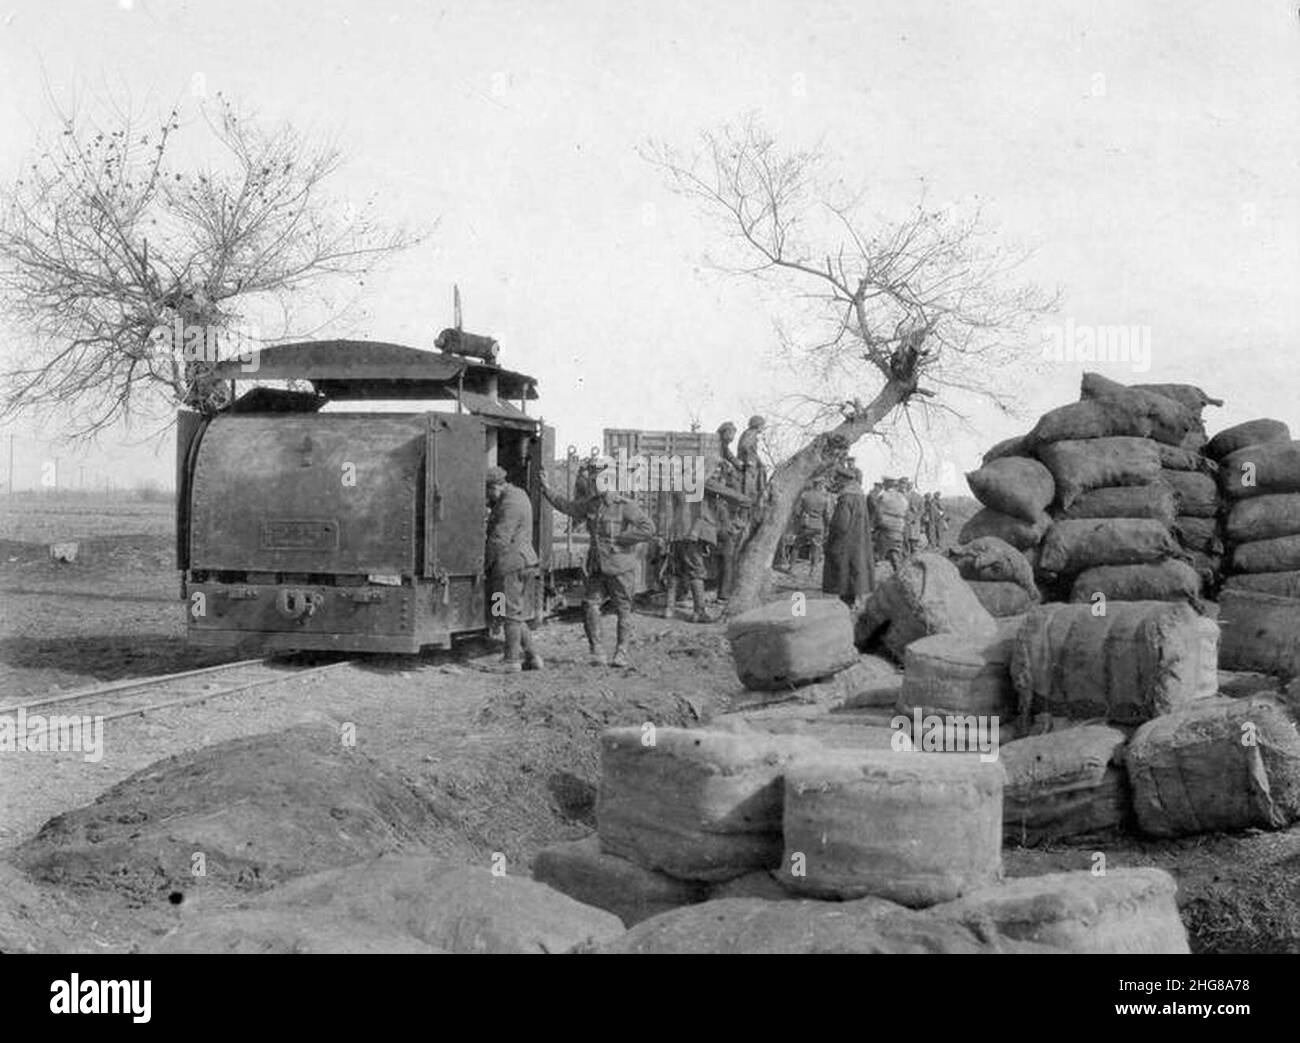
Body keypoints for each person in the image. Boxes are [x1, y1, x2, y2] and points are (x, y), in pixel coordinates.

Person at [540, 456, 655, 667]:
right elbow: (567, 507)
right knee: (590, 605)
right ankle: (597, 651)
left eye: (600, 480)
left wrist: (622, 540)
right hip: (597, 566)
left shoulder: (625, 506)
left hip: (620, 567)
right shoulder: (592, 504)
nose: (595, 483)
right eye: (594, 480)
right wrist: (547, 488)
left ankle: (621, 652)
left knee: (623, 609)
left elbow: (648, 528)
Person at [485, 466, 543, 672]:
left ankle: (511, 661)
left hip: (510, 564)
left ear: (496, 487)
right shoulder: (516, 496)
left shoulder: (510, 502)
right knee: (506, 611)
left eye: (488, 492)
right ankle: (533, 656)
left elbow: (500, 537)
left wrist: (484, 563)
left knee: (509, 612)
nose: (488, 498)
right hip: (516, 563)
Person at [822, 466, 874, 609]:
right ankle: (853, 605)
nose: (836, 482)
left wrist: (831, 541)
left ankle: (848, 607)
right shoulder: (860, 496)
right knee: (854, 574)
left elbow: (840, 524)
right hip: (857, 542)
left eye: (838, 479)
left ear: (844, 480)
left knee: (843, 576)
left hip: (845, 543)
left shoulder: (846, 498)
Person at [794, 475, 835, 578]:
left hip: (805, 525)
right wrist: (827, 528)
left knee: (796, 546)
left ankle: (791, 568)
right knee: (816, 548)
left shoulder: (804, 495)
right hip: (818, 526)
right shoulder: (825, 499)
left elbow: (797, 511)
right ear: (821, 485)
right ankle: (812, 571)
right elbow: (827, 515)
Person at [875, 478, 909, 573]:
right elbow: (905, 512)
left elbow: (878, 514)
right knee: (896, 551)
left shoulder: (883, 496)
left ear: (886, 485)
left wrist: (874, 525)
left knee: (879, 551)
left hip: (886, 528)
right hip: (899, 528)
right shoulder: (903, 498)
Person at [736, 415, 767, 500]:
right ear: (758, 425)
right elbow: (745, 446)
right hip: (747, 462)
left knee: (762, 468)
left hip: (749, 459)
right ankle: (761, 492)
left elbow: (752, 451)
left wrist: (759, 461)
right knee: (750, 486)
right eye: (762, 425)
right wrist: (749, 460)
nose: (763, 428)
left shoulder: (749, 433)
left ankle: (761, 491)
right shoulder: (751, 433)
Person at [900, 477, 926, 555]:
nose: (908, 486)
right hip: (905, 522)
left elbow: (922, 510)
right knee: (905, 542)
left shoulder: (918, 497)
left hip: (912, 523)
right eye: (907, 484)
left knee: (913, 543)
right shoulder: (901, 495)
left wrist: (916, 517)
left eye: (909, 484)